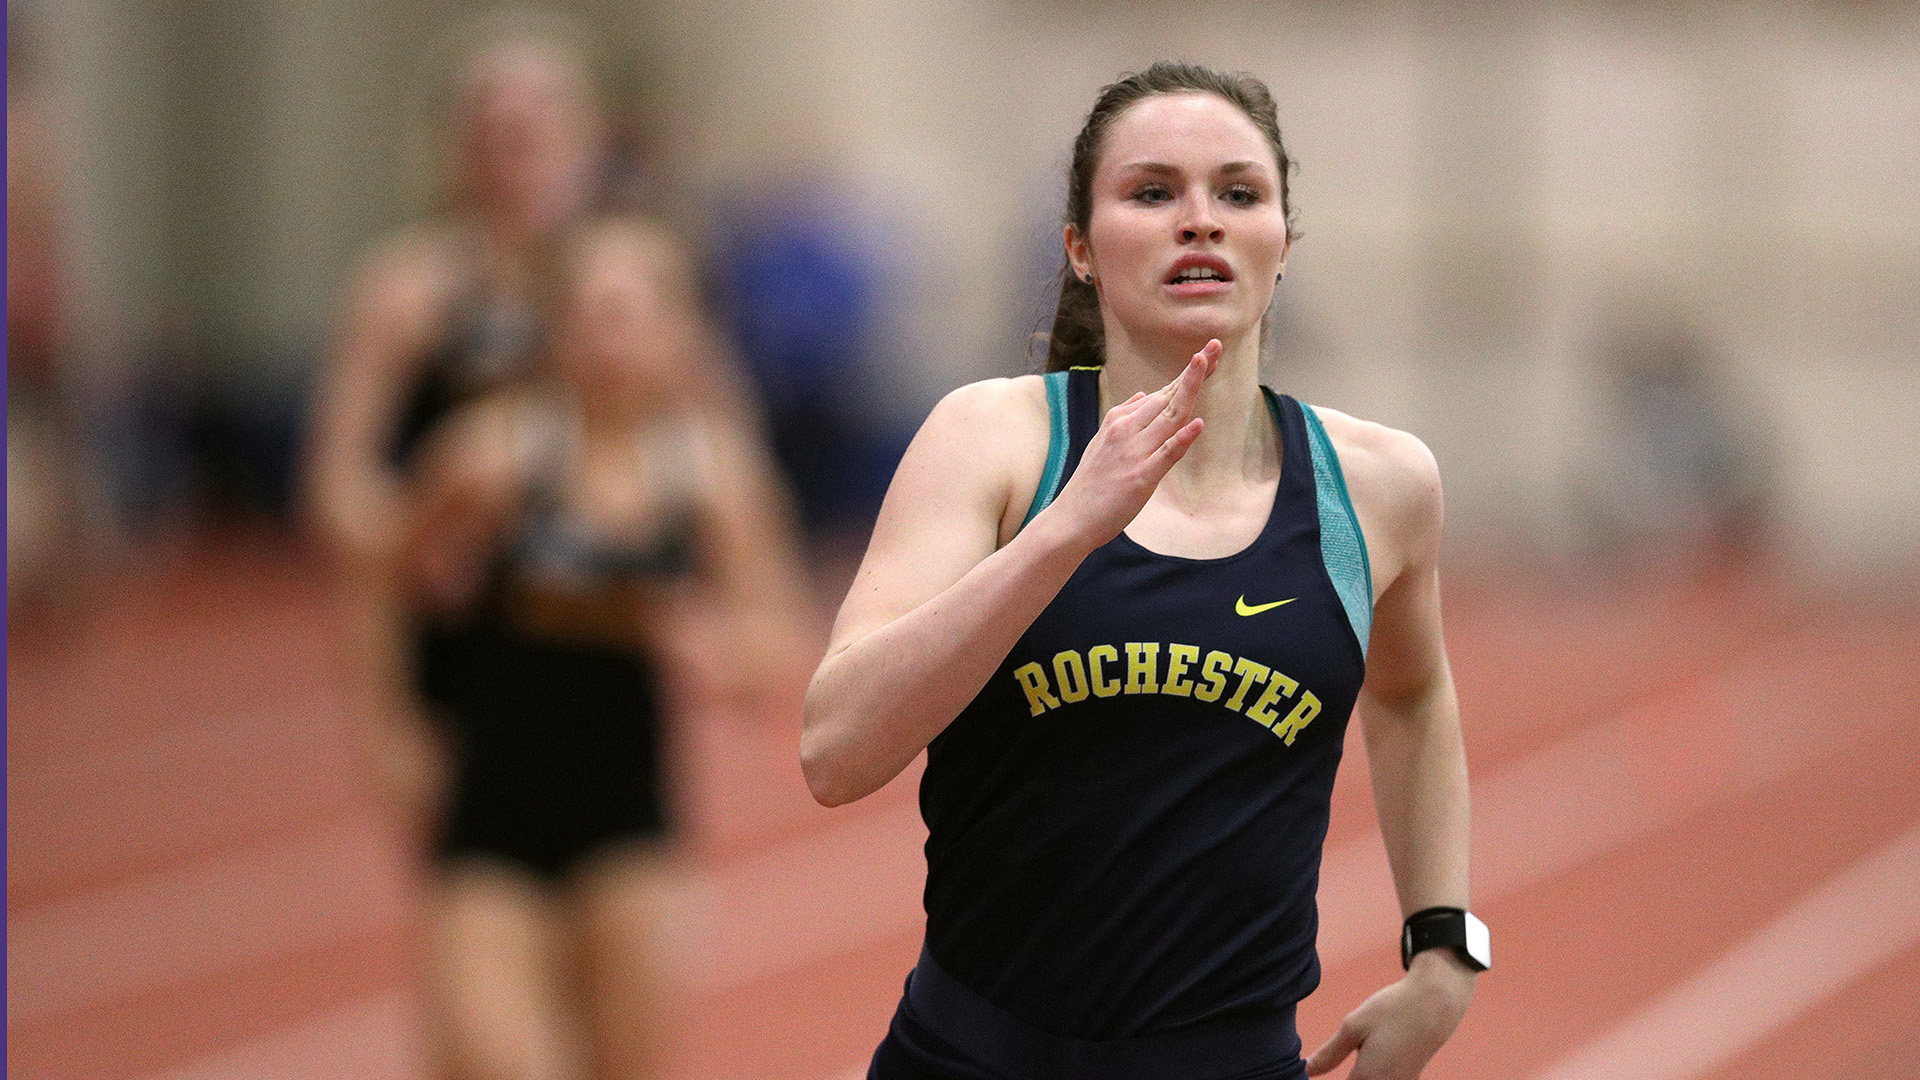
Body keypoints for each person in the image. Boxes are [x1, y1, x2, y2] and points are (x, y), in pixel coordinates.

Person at [802, 63, 1482, 1080]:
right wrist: (1063, 533)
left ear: (1283, 244)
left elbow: (1414, 694)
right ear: (1080, 248)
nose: (1200, 220)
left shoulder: (1378, 487)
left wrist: (1444, 951)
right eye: (1153, 192)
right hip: (975, 1057)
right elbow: (836, 753)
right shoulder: (993, 442)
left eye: (1238, 193)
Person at [401, 215, 809, 1080]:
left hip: (630, 825)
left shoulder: (708, 473)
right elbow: (391, 580)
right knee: (496, 1062)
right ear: (552, 325)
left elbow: (777, 644)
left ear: (678, 328)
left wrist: (706, 646)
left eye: (627, 312)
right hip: (489, 815)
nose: (605, 336)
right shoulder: (488, 454)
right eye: (585, 311)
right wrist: (392, 724)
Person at [306, 14, 608, 827]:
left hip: (596, 642)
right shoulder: (408, 289)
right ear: (453, 145)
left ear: (584, 138)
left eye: (537, 128)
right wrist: (415, 542)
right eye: (494, 129)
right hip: (463, 650)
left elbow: (715, 442)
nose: (516, 151)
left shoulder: (626, 288)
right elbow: (339, 488)